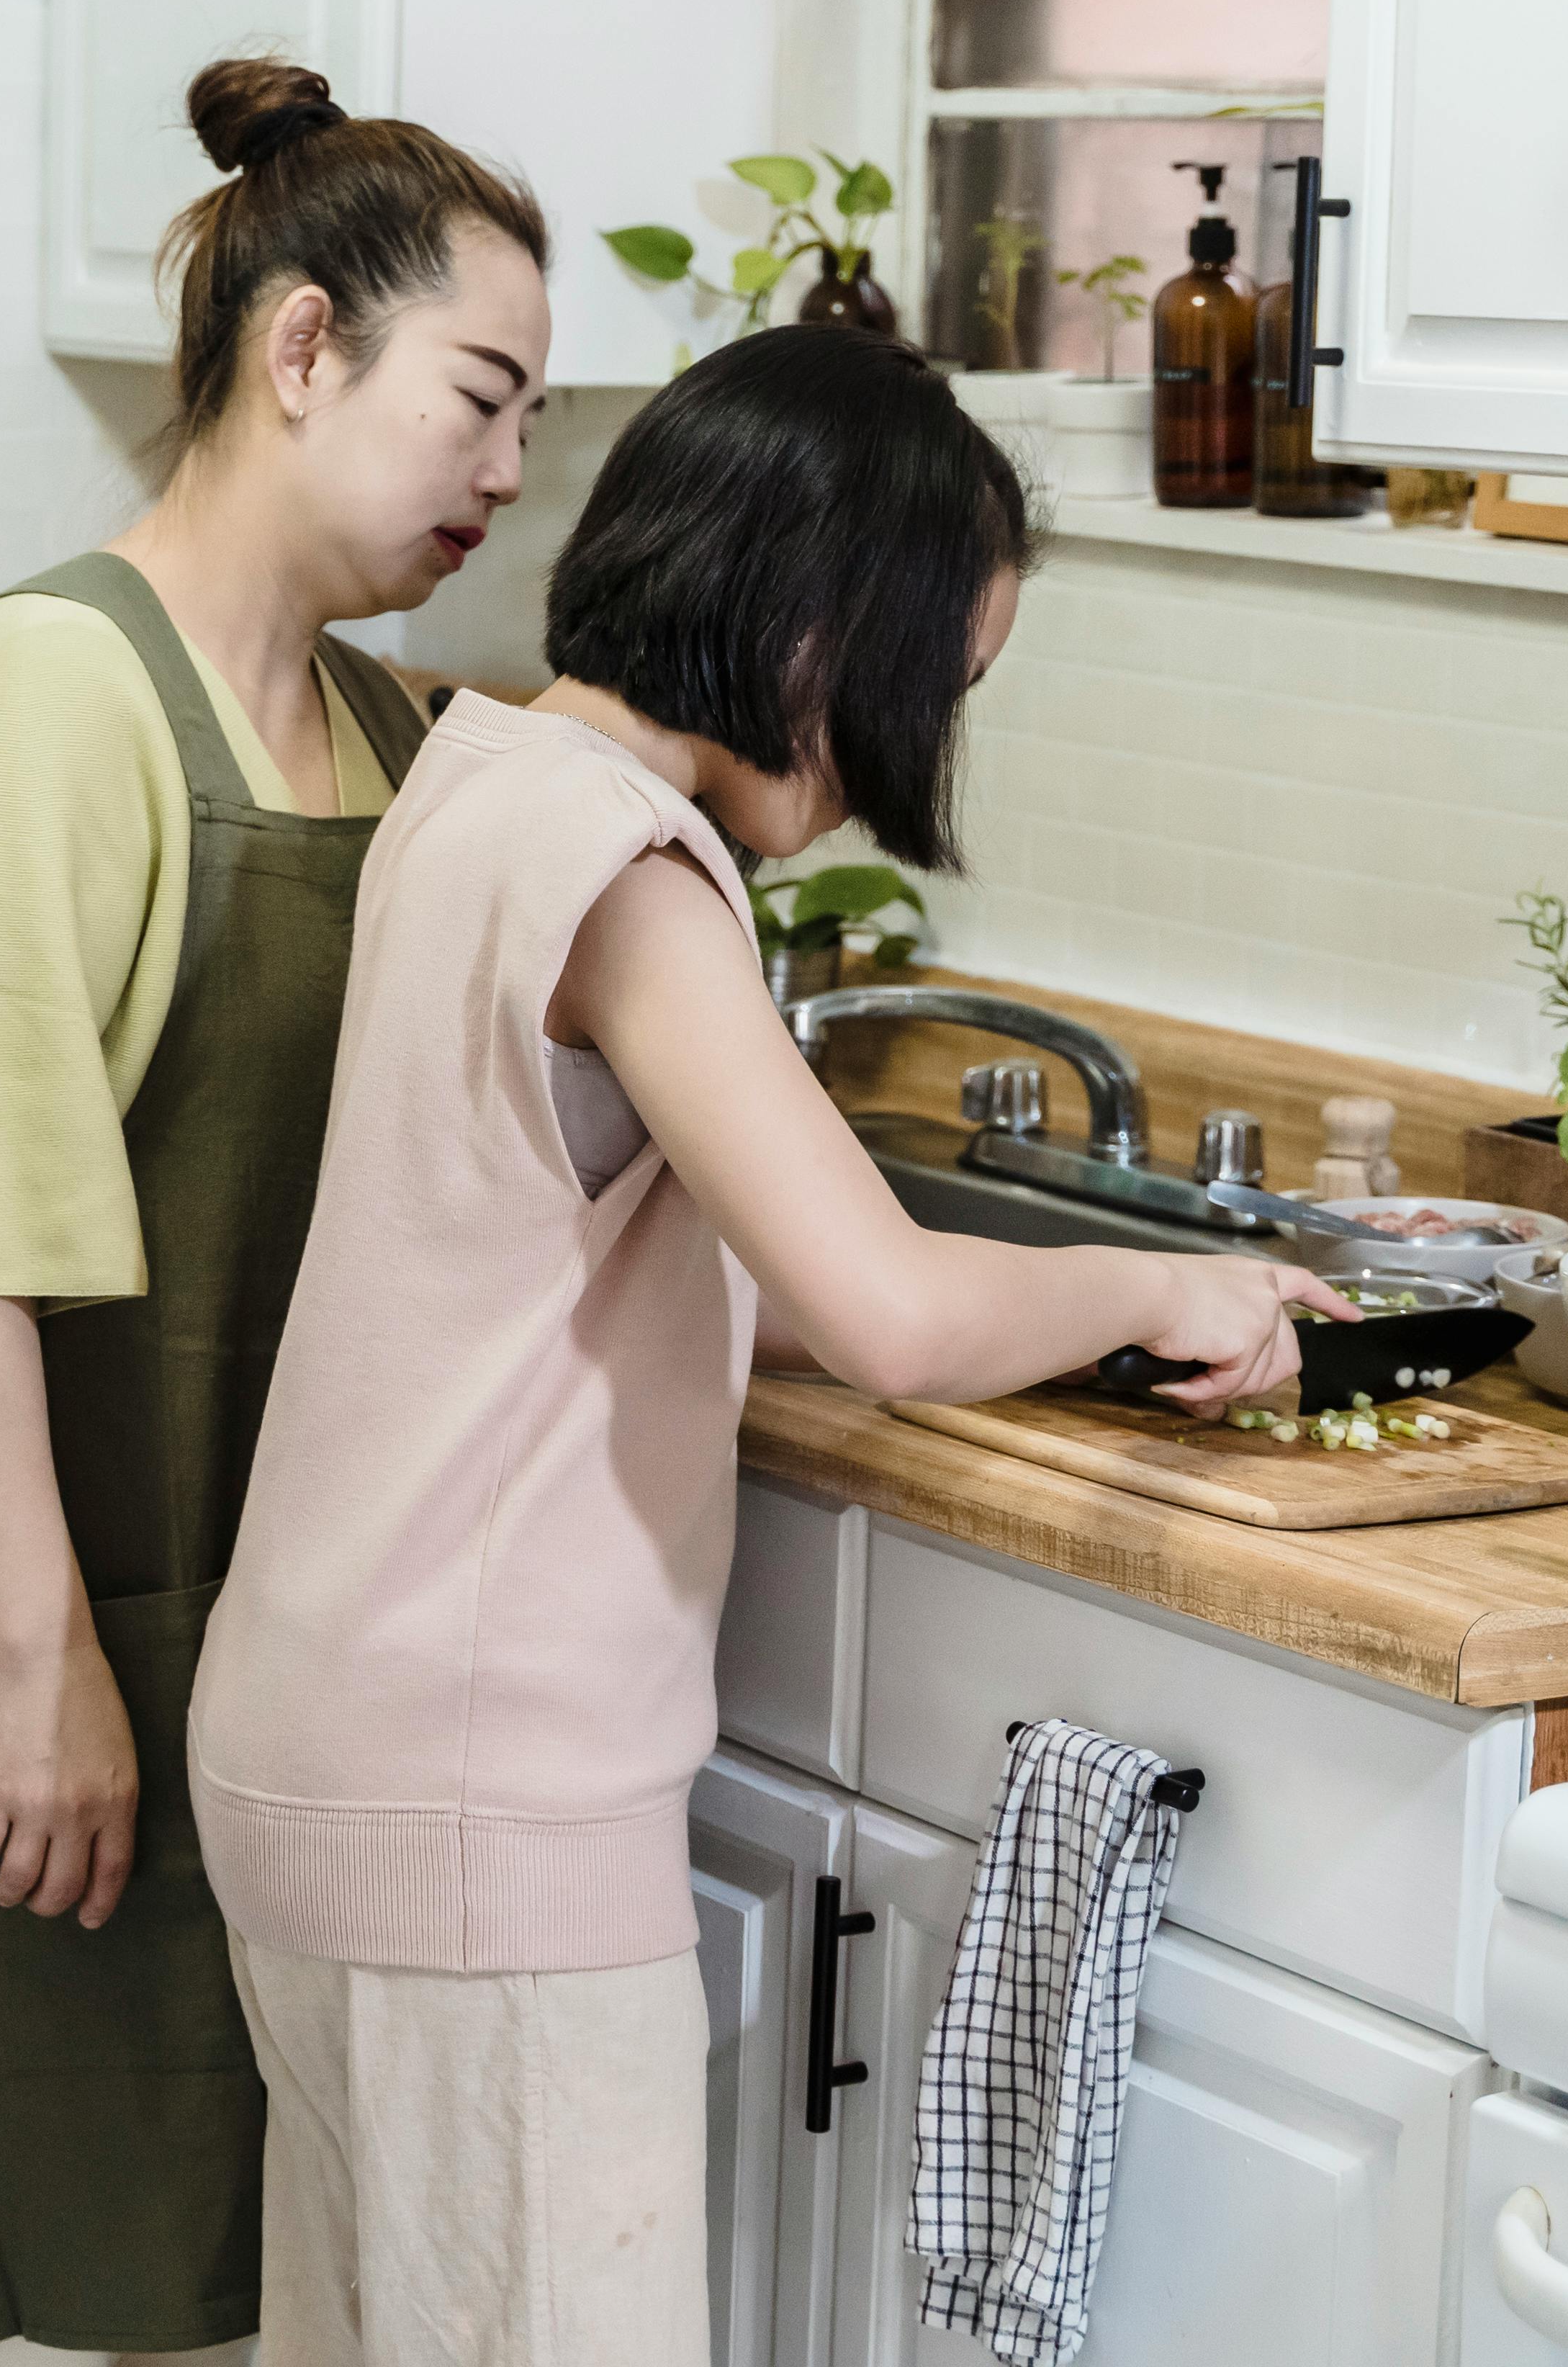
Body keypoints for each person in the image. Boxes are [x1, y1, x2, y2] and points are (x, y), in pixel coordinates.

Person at [188, 325, 1346, 2363]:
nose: (917, 747)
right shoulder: (630, 875)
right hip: (481, 1814)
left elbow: (607, 1268)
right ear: (816, 630)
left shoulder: (478, 777)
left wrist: (1065, 1321)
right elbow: (885, 1312)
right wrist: (1165, 1288)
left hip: (326, 1742)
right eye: (935, 684)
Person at [0, 58, 553, 2367]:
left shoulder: (392, 736)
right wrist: (42, 1662)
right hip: (44, 1602)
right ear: (304, 348)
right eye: (480, 398)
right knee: (44, 2250)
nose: (510, 469)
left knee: (239, 2277)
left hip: (266, 1638)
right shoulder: (46, 698)